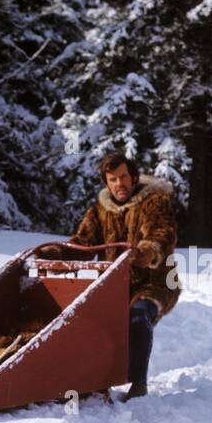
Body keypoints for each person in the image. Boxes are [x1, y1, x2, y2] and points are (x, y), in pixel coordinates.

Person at [56, 152, 179, 400]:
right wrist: (57, 253)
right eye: (112, 179)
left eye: (123, 177)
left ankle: (137, 383)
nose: (119, 184)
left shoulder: (153, 202)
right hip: (114, 285)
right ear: (106, 182)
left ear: (133, 177)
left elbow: (161, 233)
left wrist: (148, 250)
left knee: (137, 316)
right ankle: (93, 380)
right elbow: (82, 244)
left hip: (154, 282)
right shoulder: (100, 211)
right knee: (91, 320)